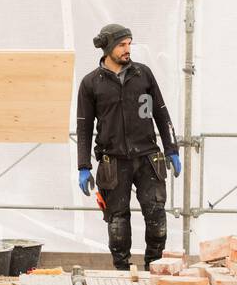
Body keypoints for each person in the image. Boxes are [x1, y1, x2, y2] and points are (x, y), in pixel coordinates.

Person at [75, 23, 181, 270]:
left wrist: (171, 148)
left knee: (157, 219)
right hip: (113, 161)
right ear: (108, 47)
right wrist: (83, 166)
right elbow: (83, 127)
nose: (127, 49)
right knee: (118, 224)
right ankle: (123, 273)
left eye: (129, 44)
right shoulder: (91, 83)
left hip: (148, 159)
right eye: (122, 45)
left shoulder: (143, 75)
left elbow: (161, 113)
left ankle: (153, 268)